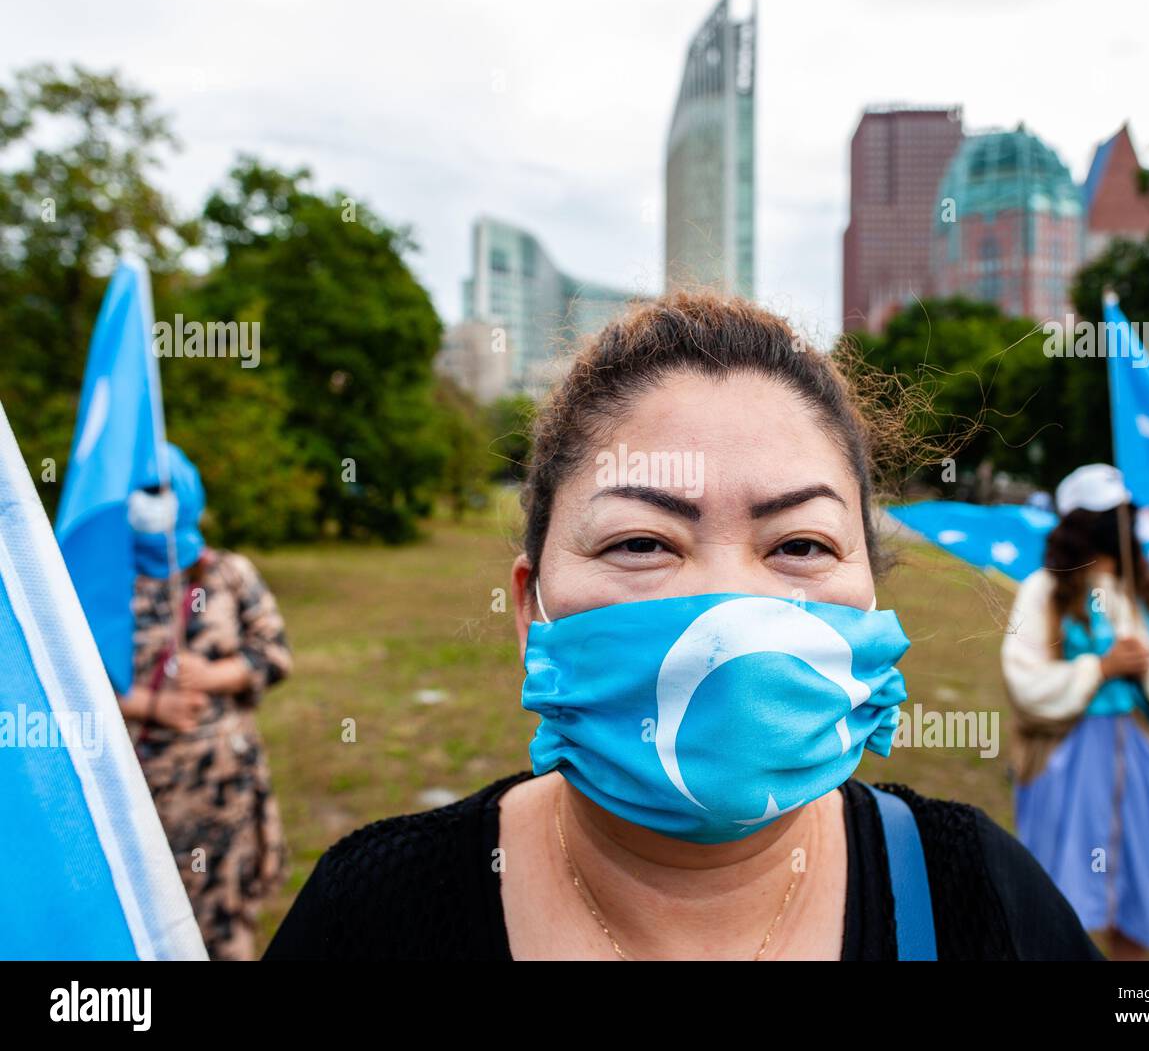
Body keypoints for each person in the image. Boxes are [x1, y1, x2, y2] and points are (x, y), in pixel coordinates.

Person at [265, 291, 1102, 961]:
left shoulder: (979, 895)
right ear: (531, 610)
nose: (731, 609)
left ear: (873, 597)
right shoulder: (372, 913)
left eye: (801, 543)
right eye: (641, 541)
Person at [1000, 463, 1149, 960]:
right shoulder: (1045, 591)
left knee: (1141, 899)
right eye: (1108, 514)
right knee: (1058, 905)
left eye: (1123, 513)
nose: (1119, 523)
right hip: (1069, 766)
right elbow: (1025, 679)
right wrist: (1098, 669)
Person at [116, 443, 293, 961]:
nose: (151, 503)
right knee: (142, 922)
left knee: (223, 921)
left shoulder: (228, 574)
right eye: (142, 491)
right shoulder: (101, 586)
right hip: (138, 789)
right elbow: (74, 683)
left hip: (220, 787)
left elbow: (275, 654)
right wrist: (151, 706)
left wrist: (216, 674)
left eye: (162, 491)